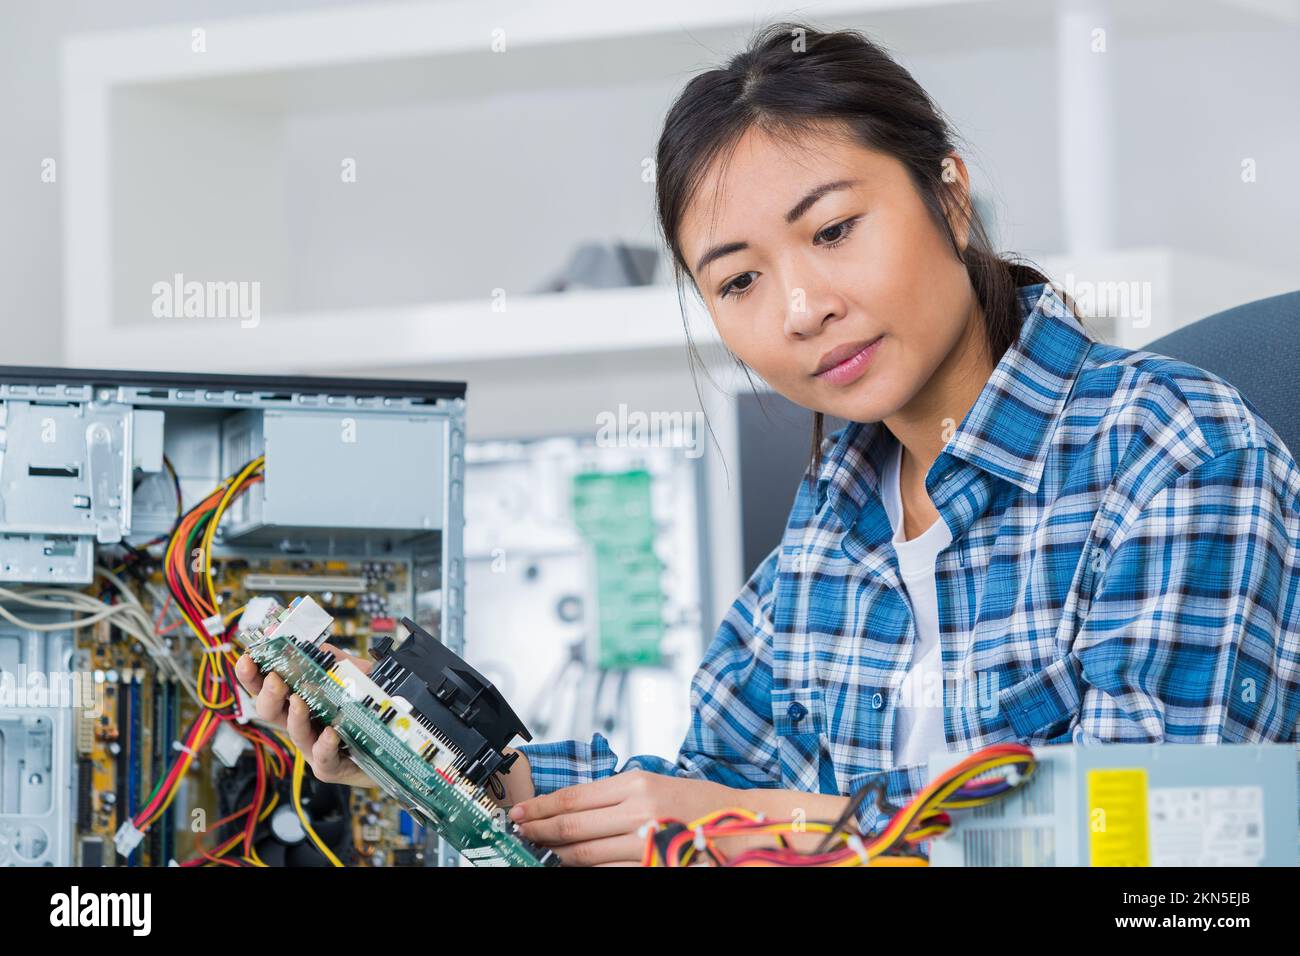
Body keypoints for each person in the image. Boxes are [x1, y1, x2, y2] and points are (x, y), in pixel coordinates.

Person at [236, 22, 1300, 866]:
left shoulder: (1172, 450)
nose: (799, 307)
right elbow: (703, 782)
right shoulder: (832, 529)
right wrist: (420, 759)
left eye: (833, 230)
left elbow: (1156, 858)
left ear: (948, 193)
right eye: (738, 280)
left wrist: (768, 828)